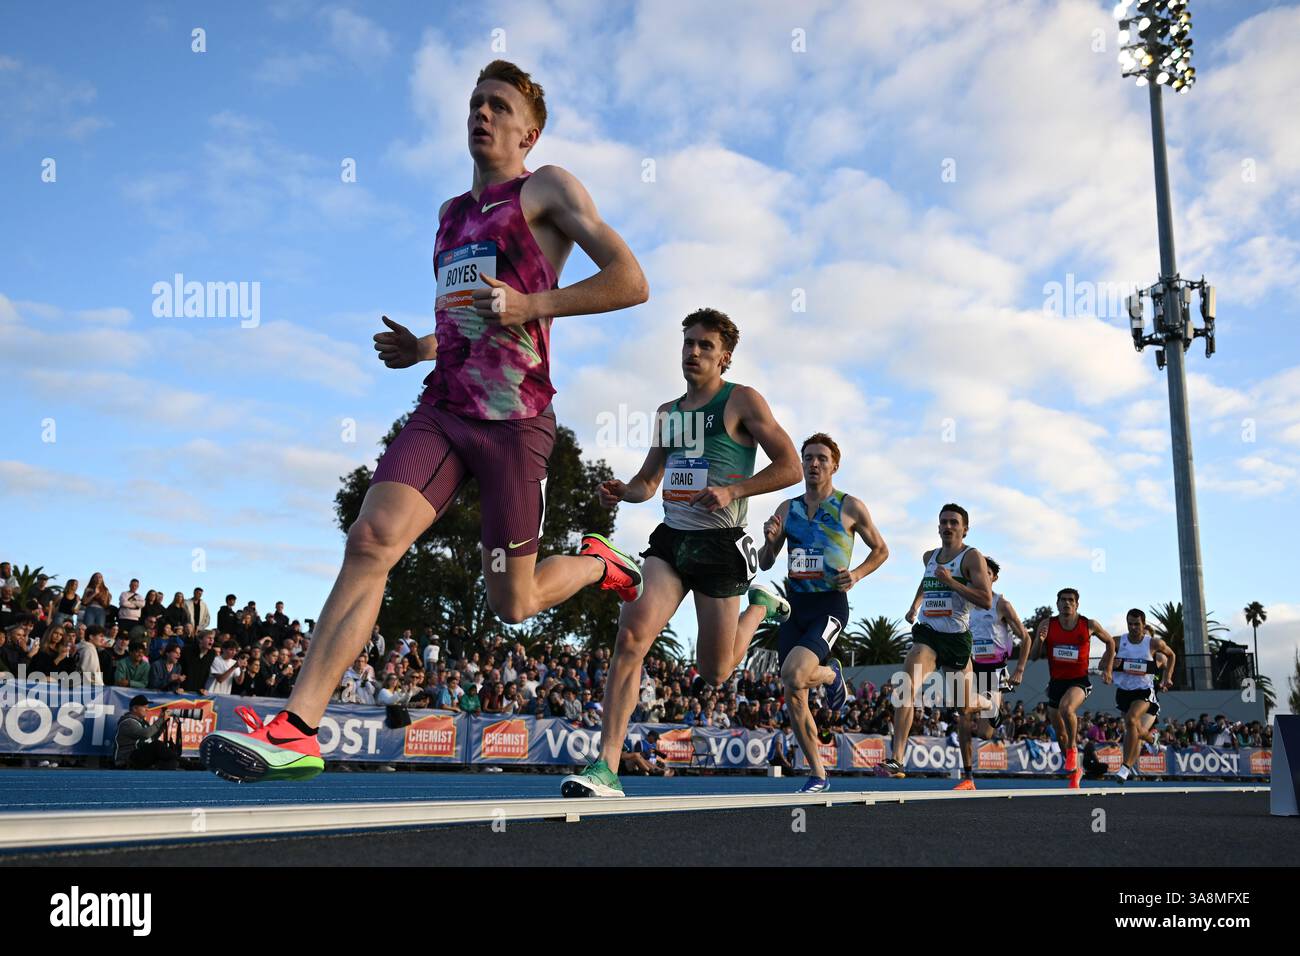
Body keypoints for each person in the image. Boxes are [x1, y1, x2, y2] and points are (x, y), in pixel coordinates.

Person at [203, 60, 649, 784]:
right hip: (444, 410)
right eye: (476, 102)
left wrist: (532, 306)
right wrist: (423, 347)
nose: (483, 113)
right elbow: (471, 321)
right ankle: (298, 727)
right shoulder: (448, 216)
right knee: (370, 538)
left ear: (528, 131)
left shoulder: (549, 188)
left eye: (499, 106)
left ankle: (603, 563)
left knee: (516, 602)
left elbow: (631, 282)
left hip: (516, 423)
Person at [561, 308, 802, 797]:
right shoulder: (668, 414)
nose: (693, 352)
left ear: (724, 358)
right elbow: (650, 482)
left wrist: (735, 491)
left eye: (705, 346)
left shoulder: (742, 402)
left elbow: (792, 467)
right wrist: (623, 491)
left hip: (720, 548)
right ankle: (606, 765)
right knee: (631, 639)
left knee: (714, 671)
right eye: (688, 343)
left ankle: (760, 607)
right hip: (671, 541)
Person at [754, 433, 889, 793]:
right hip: (793, 608)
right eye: (808, 457)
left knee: (795, 673)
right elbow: (766, 563)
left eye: (822, 459)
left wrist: (857, 574)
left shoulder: (850, 507)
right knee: (791, 688)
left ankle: (830, 676)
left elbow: (881, 550)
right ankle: (818, 774)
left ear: (835, 465)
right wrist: (769, 540)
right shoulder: (788, 509)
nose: (814, 464)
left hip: (829, 605)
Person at [880, 504, 993, 790]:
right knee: (905, 688)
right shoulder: (929, 557)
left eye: (954, 522)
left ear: (964, 528)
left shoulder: (972, 557)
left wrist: (952, 582)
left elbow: (985, 599)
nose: (948, 526)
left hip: (956, 639)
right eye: (943, 522)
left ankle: (987, 702)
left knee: (963, 705)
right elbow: (926, 580)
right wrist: (915, 605)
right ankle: (897, 760)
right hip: (928, 634)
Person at [1032, 588, 1116, 789]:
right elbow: (1034, 656)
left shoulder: (1089, 625)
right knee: (1059, 733)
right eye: (1063, 600)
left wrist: (1108, 667)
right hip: (1056, 683)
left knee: (1067, 708)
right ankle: (1075, 771)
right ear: (1057, 603)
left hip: (1079, 681)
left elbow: (1111, 642)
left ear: (1077, 604)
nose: (1067, 603)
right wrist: (1039, 641)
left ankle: (1072, 749)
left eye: (1071, 600)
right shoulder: (1047, 625)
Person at [966, 557, 1032, 742]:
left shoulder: (1001, 605)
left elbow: (1026, 638)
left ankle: (993, 709)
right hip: (970, 665)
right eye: (977, 572)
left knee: (984, 733)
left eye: (986, 573)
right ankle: (966, 769)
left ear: (994, 578)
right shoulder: (964, 603)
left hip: (993, 669)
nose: (981, 576)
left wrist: (1019, 669)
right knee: (963, 713)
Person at [1111, 610, 1174, 782]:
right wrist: (1112, 665)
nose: (1135, 630)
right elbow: (1107, 661)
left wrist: (1166, 679)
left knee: (1132, 723)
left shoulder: (1156, 651)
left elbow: (1167, 659)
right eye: (1130, 624)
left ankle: (1125, 767)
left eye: (1139, 627)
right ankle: (1152, 739)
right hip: (1126, 693)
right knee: (1135, 730)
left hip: (1147, 696)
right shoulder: (1122, 643)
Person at [113, 695, 180, 770]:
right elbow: (146, 734)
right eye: (144, 707)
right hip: (127, 759)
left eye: (147, 707)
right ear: (135, 708)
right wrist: (161, 720)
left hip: (137, 756)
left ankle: (177, 763)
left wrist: (162, 722)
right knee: (157, 745)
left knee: (163, 750)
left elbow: (152, 737)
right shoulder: (128, 722)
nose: (147, 709)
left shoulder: (142, 722)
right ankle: (181, 762)